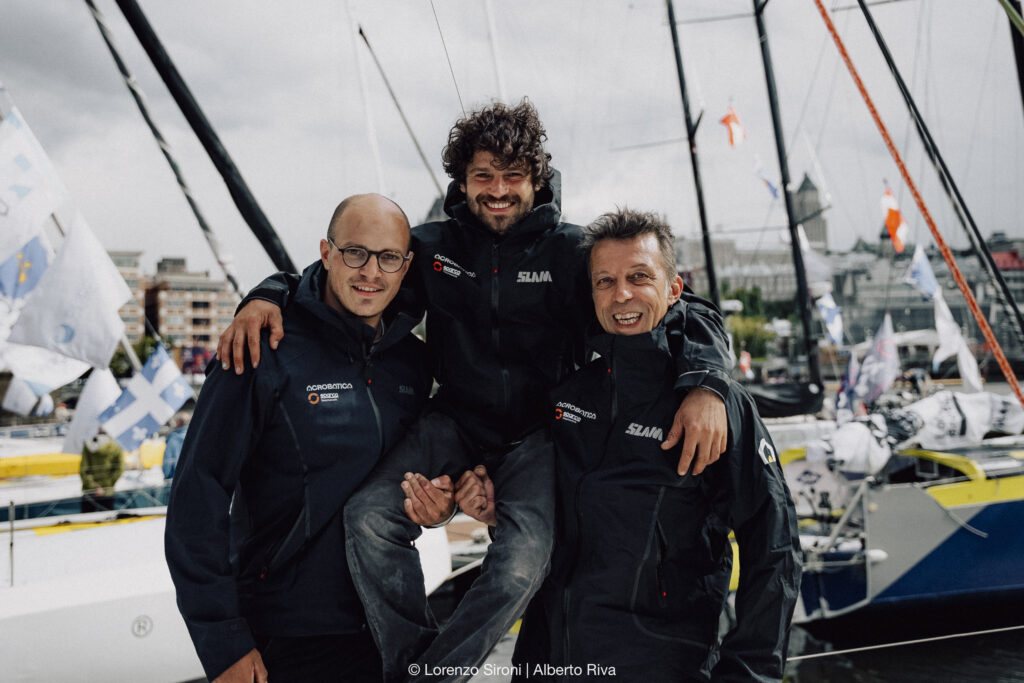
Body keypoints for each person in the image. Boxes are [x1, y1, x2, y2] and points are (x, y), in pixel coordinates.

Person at [218, 101, 734, 682]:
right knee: (367, 518)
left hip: (541, 433)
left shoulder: (573, 251)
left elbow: (685, 307)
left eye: (513, 175)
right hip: (455, 421)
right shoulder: (433, 247)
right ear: (462, 180)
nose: (498, 189)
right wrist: (264, 295)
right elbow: (344, 271)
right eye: (483, 174)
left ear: (535, 180)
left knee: (519, 567)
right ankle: (413, 662)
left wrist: (708, 384)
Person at [457, 208, 801, 681]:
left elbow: (775, 548)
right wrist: (500, 506)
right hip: (546, 660)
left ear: (673, 289)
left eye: (639, 277)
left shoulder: (716, 406)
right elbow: (552, 518)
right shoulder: (567, 398)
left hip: (659, 664)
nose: (622, 295)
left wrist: (747, 675)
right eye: (605, 281)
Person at [165, 194, 431, 683]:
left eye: (388, 257)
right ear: (326, 253)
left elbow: (420, 480)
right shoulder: (261, 348)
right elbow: (196, 500)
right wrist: (222, 642)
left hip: (395, 626)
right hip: (287, 638)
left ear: (406, 265)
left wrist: (444, 506)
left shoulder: (412, 364)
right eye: (355, 252)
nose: (371, 271)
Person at [80, 427, 123, 512]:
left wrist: (94, 486)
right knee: (107, 520)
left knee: (87, 521)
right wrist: (107, 486)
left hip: (90, 492)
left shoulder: (88, 445)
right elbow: (119, 469)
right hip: (107, 491)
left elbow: (84, 469)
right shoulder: (116, 446)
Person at [161, 413, 189, 480]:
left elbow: (168, 461)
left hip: (175, 478)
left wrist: (167, 476)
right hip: (190, 476)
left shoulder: (173, 439)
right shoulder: (194, 437)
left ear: (179, 422)